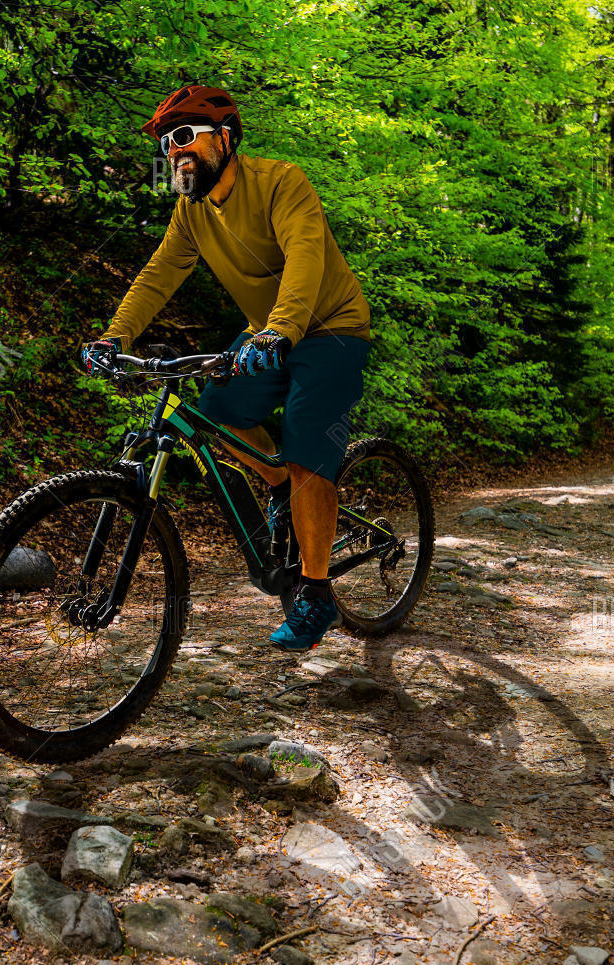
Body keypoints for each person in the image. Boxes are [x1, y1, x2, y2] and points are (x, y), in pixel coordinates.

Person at [81, 84, 373, 651]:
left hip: (330, 326)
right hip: (268, 330)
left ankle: (316, 594)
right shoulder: (191, 211)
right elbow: (159, 274)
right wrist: (114, 336)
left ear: (226, 138)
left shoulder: (281, 182)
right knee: (215, 412)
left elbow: (305, 256)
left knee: (307, 443)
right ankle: (279, 486)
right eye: (167, 143)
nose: (174, 150)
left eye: (185, 135)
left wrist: (280, 329)